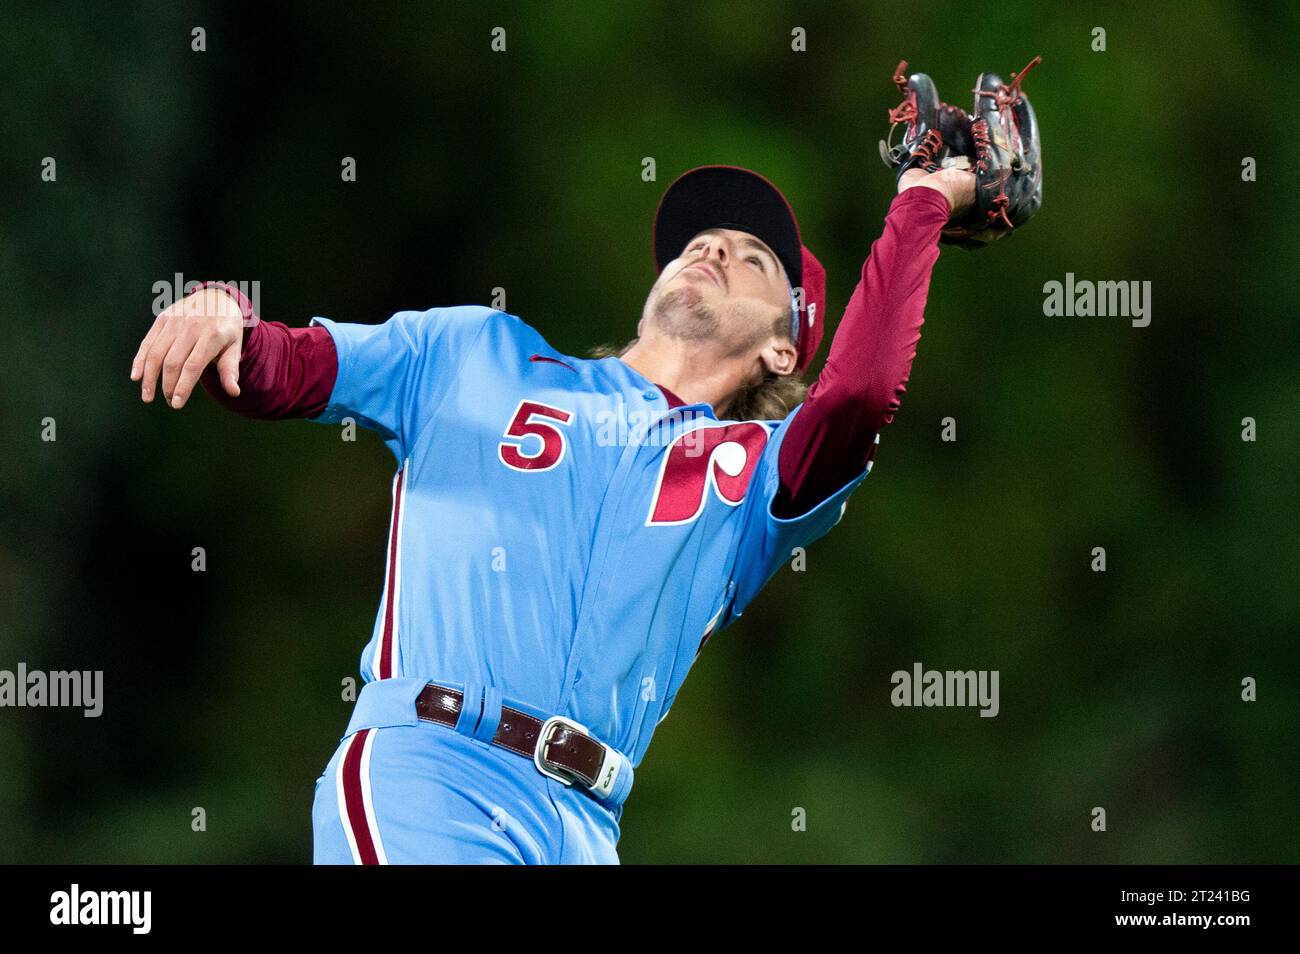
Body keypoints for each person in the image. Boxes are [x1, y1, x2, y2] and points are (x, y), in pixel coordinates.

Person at [129, 160, 976, 864]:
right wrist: (224, 313)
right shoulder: (477, 356)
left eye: (757, 258)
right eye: (702, 239)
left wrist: (922, 204)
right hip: (433, 769)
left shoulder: (756, 483)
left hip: (583, 828)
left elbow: (860, 392)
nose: (715, 245)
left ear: (782, 345)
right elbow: (286, 366)